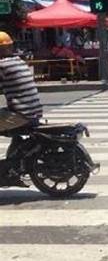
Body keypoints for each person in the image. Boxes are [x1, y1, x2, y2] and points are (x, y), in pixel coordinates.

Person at [0, 31, 43, 186]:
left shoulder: (2, 65)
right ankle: (11, 168)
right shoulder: (18, 61)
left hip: (21, 114)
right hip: (32, 112)